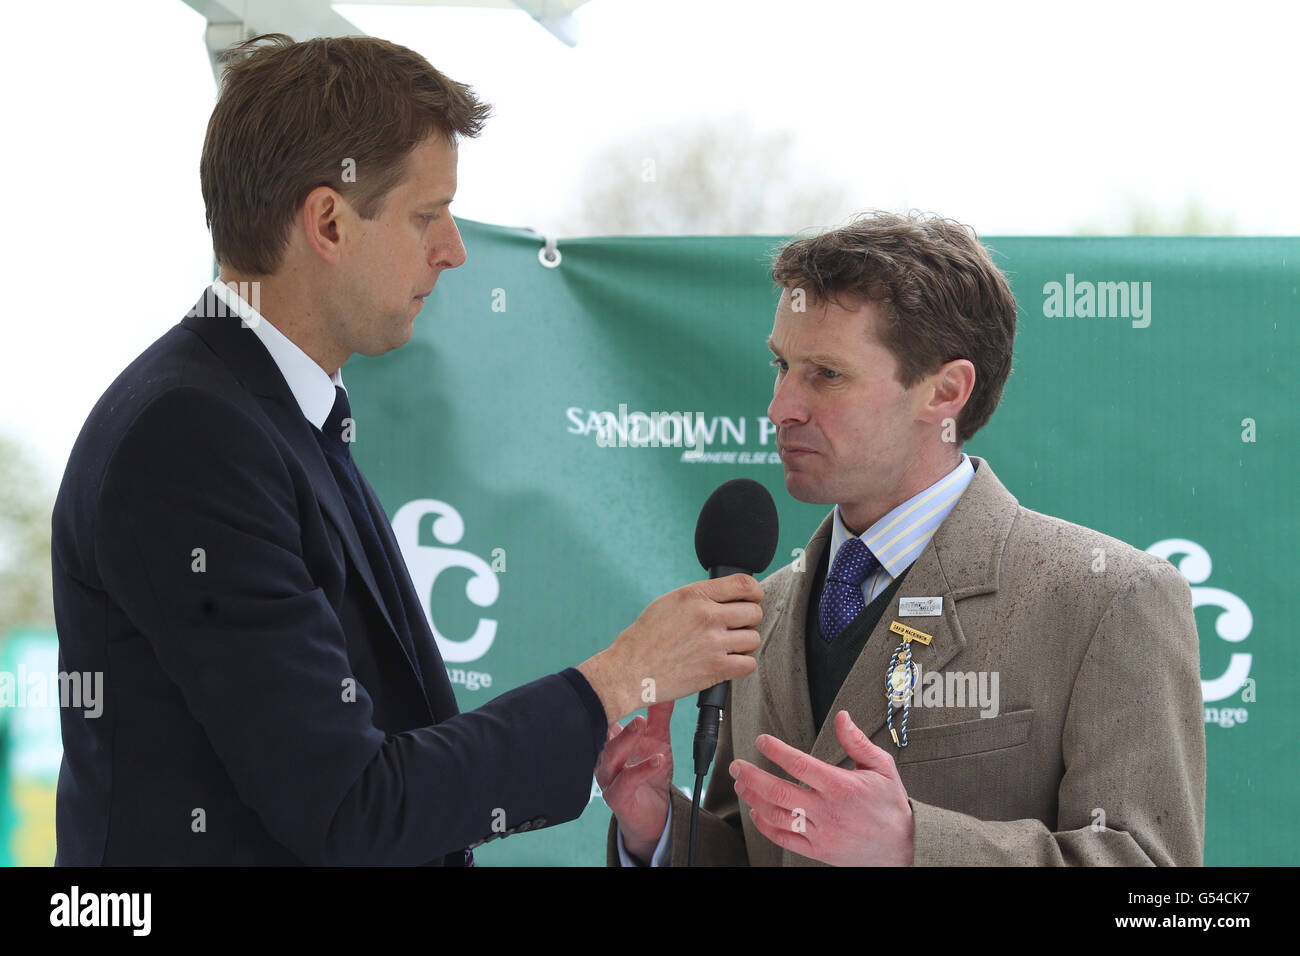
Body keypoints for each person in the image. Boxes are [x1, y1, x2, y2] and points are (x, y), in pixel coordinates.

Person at [50, 33, 763, 866]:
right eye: (427, 215)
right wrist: (616, 679)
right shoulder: (194, 439)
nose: (453, 249)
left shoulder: (271, 413)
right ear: (327, 221)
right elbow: (351, 809)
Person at [600, 211, 1205, 866]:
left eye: (826, 374)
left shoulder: (1110, 601)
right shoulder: (763, 611)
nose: (780, 407)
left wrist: (916, 846)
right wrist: (655, 827)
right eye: (782, 365)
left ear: (945, 391)